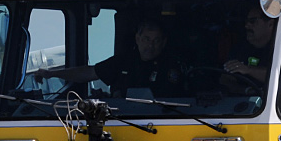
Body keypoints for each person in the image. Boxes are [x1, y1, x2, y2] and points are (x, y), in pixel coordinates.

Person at [34, 18, 184, 96]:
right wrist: (52, 74)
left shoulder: (172, 66)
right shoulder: (123, 61)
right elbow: (88, 73)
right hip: (122, 121)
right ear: (137, 39)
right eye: (146, 39)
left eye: (156, 40)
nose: (151, 45)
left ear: (164, 42)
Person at [219, 5, 277, 91]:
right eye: (246, 21)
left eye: (252, 21)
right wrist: (245, 91)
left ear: (270, 24)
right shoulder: (239, 48)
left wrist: (248, 70)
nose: (247, 26)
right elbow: (225, 79)